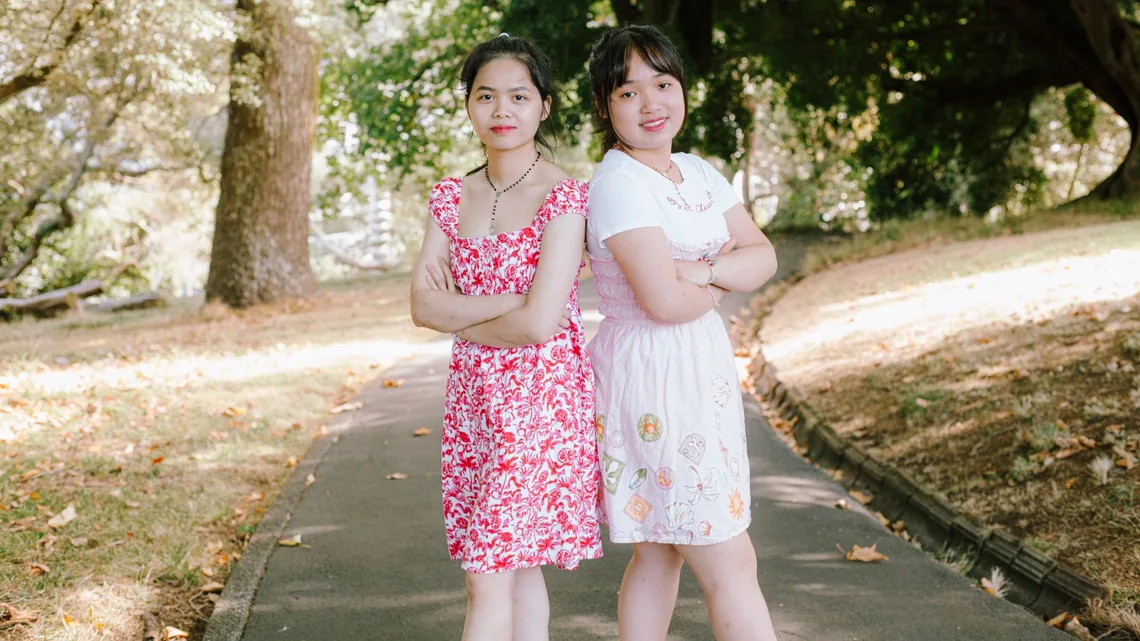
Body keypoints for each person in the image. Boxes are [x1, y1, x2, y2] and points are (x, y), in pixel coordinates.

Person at [585, 25, 781, 641]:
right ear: (604, 106)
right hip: (654, 379)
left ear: (682, 90)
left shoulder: (696, 170)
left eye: (663, 84)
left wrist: (702, 270)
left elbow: (763, 256)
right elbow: (664, 304)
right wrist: (723, 278)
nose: (651, 103)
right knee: (728, 557)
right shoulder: (618, 183)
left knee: (661, 550)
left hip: (699, 372)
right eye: (628, 91)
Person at [409, 34, 602, 641]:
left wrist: (457, 311)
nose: (502, 110)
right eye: (486, 96)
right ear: (469, 105)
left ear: (544, 105)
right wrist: (513, 300)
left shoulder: (563, 197)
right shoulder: (449, 195)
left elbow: (542, 324)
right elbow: (421, 307)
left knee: (485, 574)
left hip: (540, 401)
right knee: (515, 572)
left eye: (519, 96)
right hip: (473, 403)